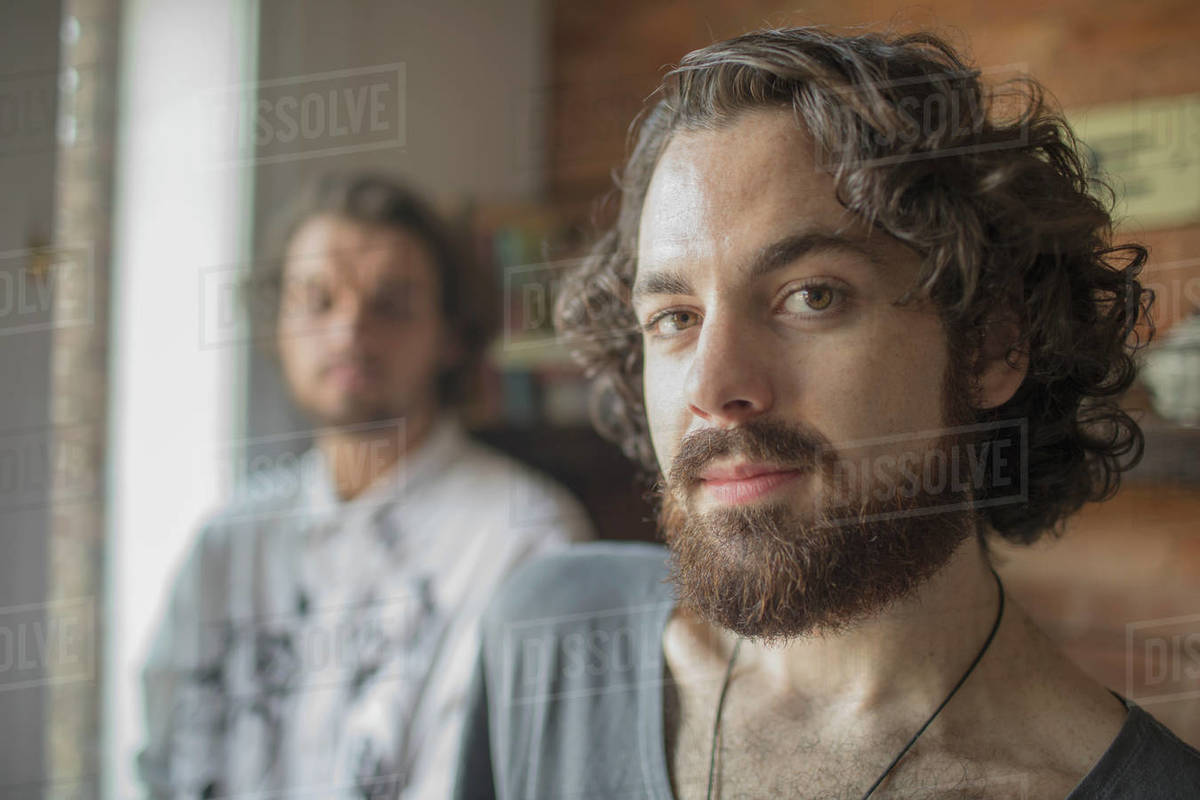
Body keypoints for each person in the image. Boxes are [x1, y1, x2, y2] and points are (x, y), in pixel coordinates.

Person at [453, 27, 1200, 799]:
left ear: (993, 344)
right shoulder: (549, 642)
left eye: (812, 296)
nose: (714, 386)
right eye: (676, 316)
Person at [139, 173, 593, 799]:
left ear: (453, 335)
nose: (349, 328)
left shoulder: (525, 534)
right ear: (278, 324)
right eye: (317, 300)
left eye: (391, 304)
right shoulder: (228, 544)